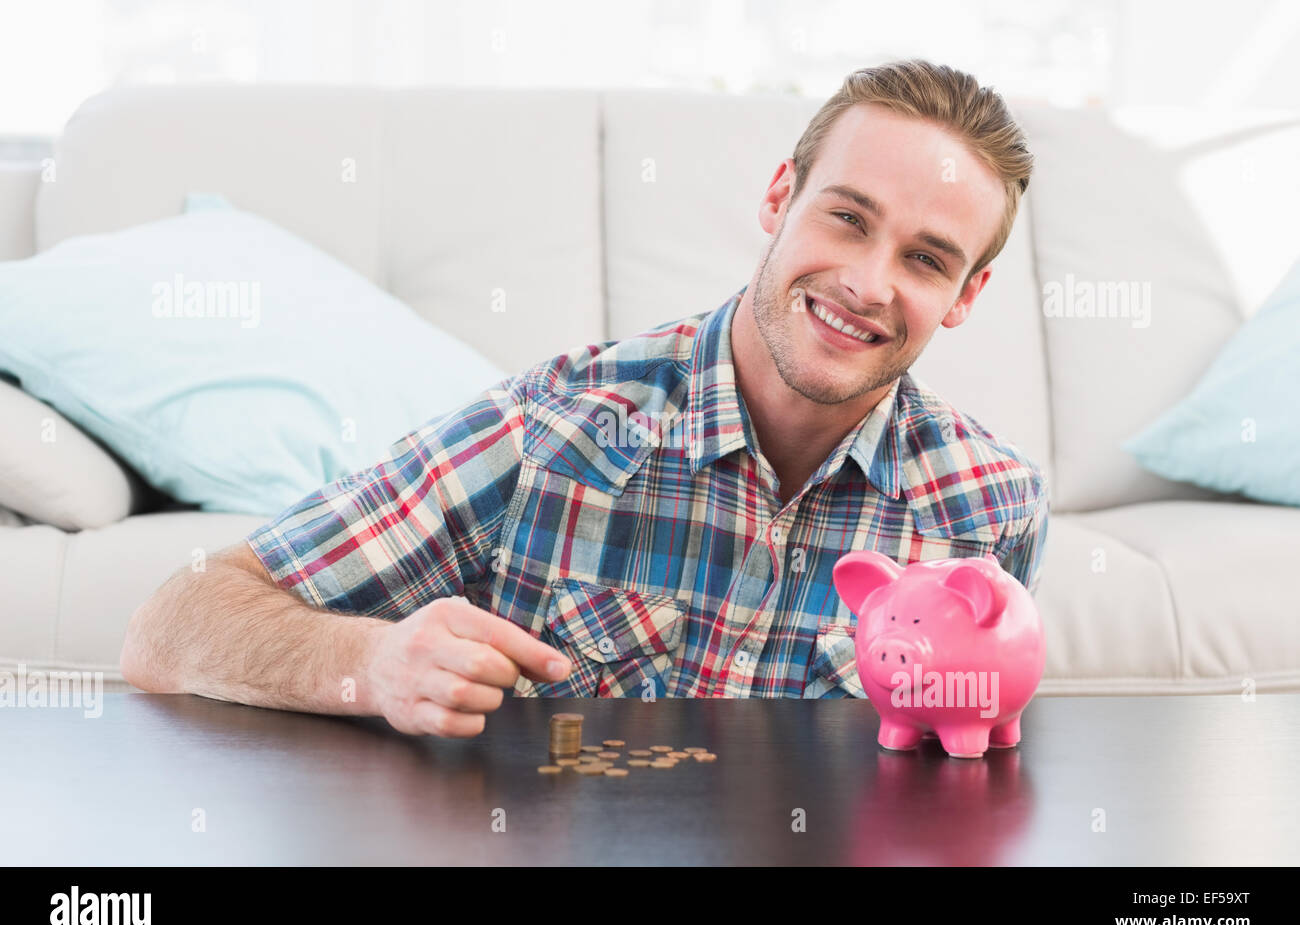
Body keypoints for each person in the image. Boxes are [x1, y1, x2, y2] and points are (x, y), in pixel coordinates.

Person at [122, 58, 1048, 736]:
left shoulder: (992, 510)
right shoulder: (550, 432)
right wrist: (371, 664)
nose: (867, 282)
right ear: (780, 196)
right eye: (847, 217)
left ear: (965, 295)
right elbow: (173, 625)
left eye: (926, 259)